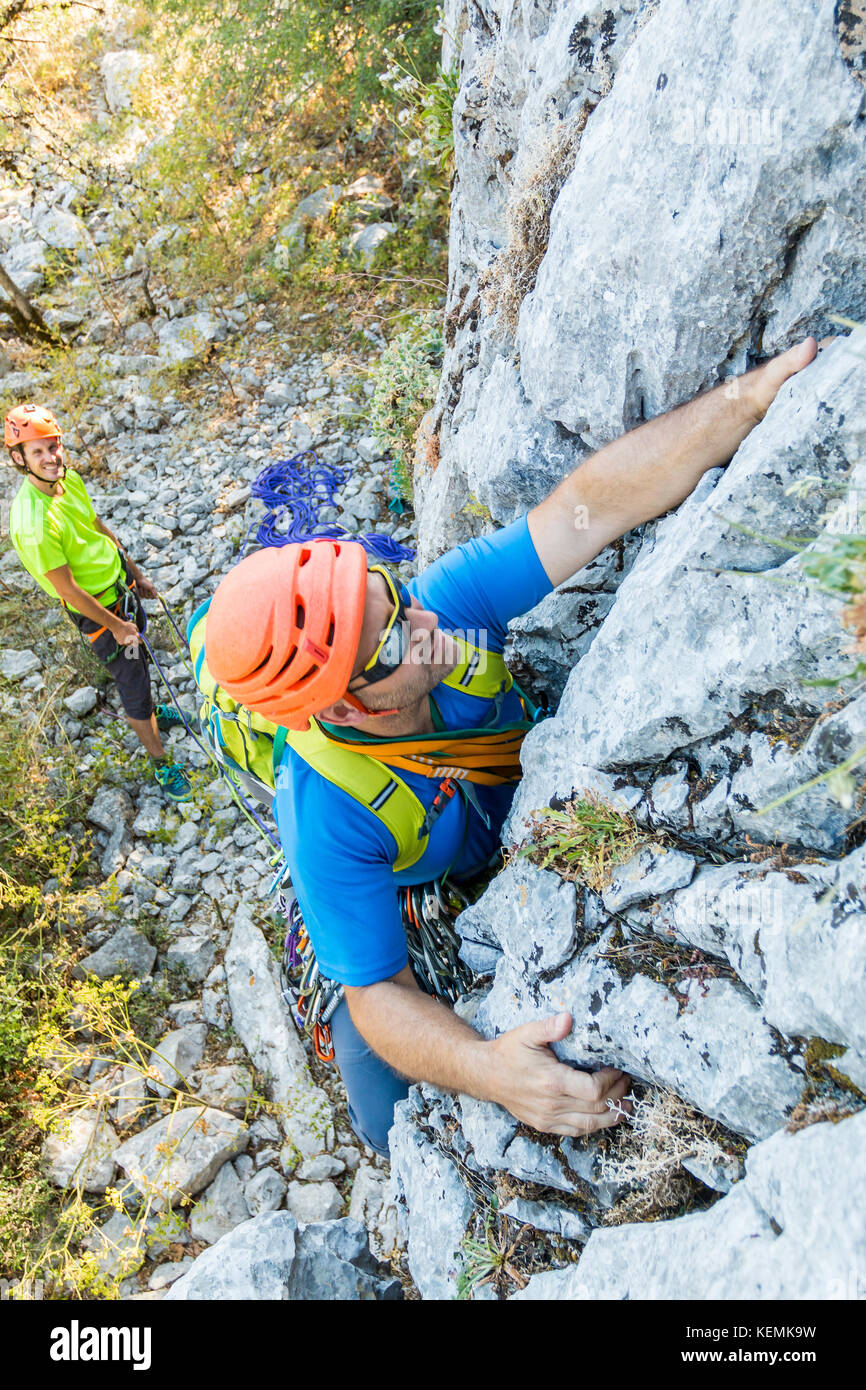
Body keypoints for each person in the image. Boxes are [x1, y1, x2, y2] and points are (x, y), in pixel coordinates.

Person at [204, 339, 820, 1156]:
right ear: (344, 705)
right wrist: (489, 1071)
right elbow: (377, 993)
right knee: (375, 1077)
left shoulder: (441, 607)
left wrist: (741, 404)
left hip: (487, 803)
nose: (418, 621)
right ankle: (388, 1157)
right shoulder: (328, 817)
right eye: (386, 641)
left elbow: (587, 508)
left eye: (386, 594)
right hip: (417, 872)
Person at [4, 403, 191, 801]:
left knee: (142, 663)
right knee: (133, 685)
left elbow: (96, 527)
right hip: (103, 616)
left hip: (119, 588)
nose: (51, 457)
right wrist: (119, 628)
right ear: (19, 459)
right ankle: (160, 762)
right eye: (37, 451)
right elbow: (68, 591)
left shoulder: (65, 481)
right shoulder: (33, 523)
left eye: (52, 446)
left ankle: (155, 717)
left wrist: (134, 572)